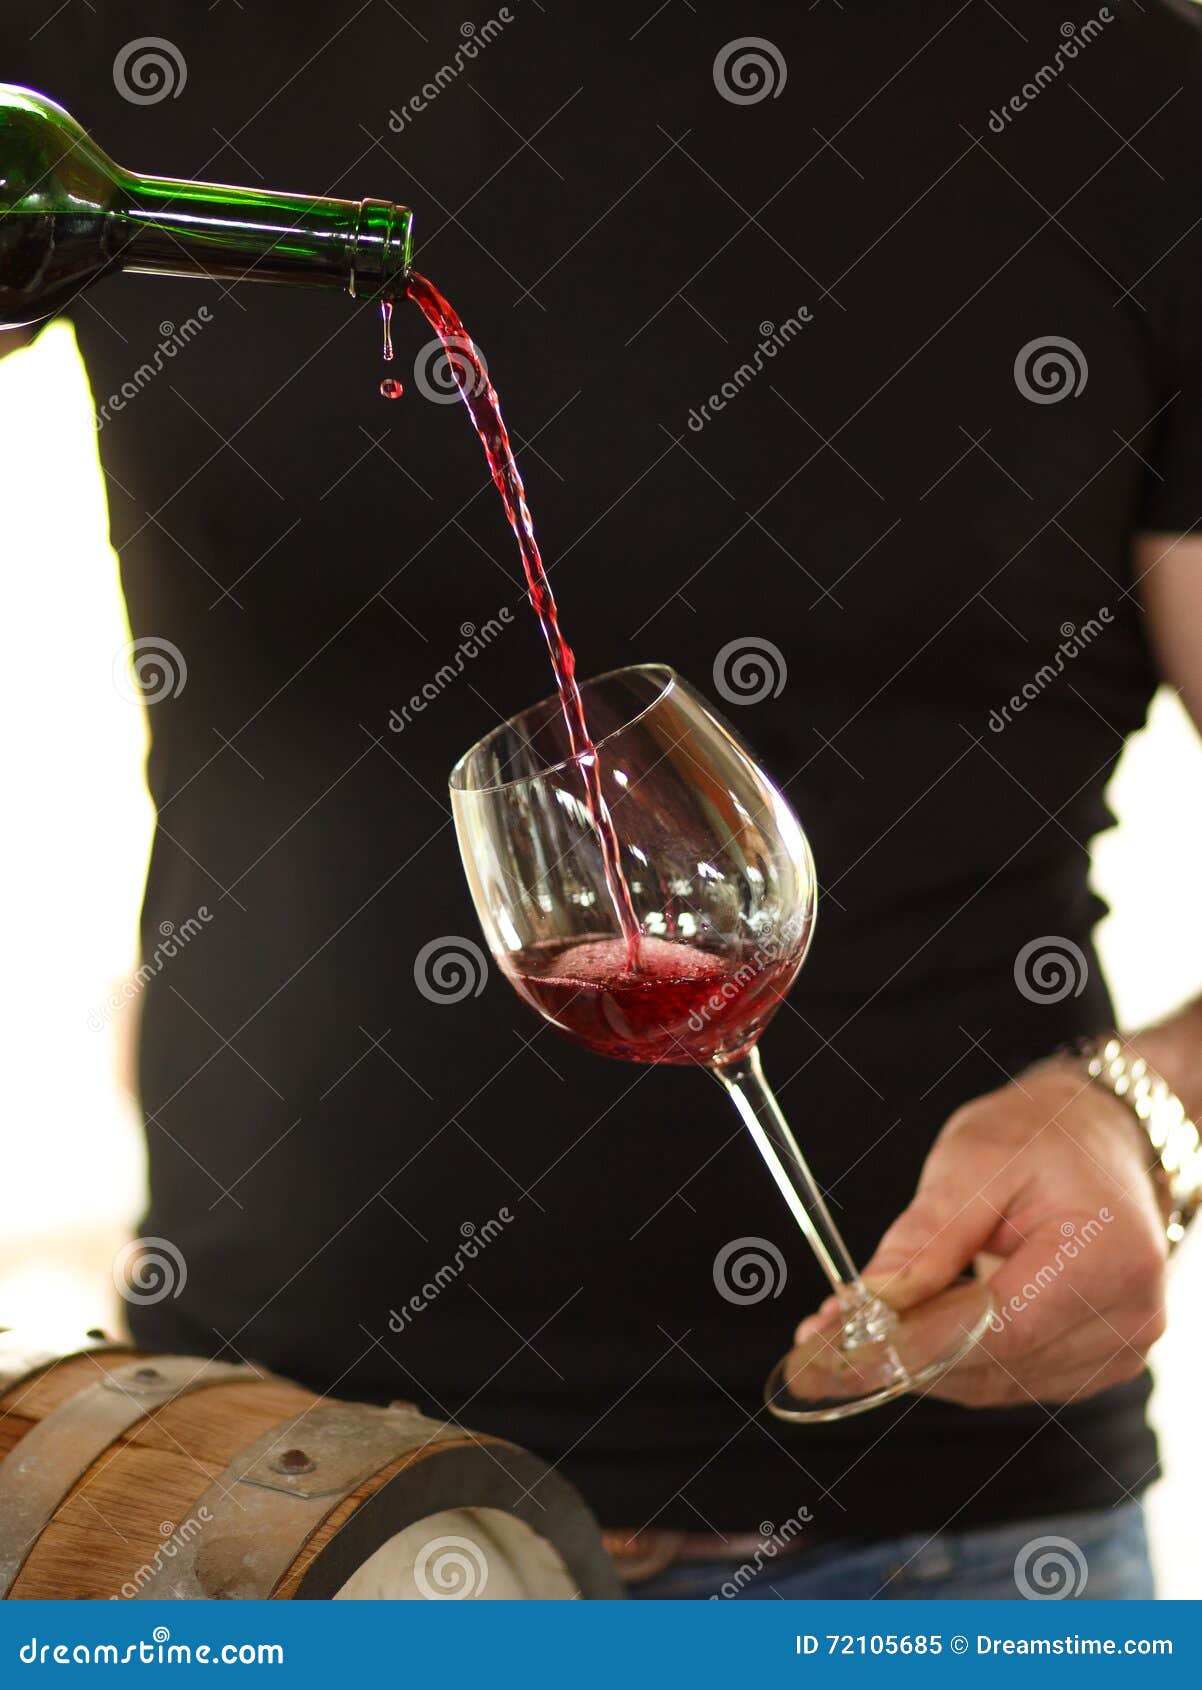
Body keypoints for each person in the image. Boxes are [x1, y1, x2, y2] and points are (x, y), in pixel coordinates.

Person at [3, 0, 1200, 1600]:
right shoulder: (118, 46)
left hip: (933, 1546)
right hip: (270, 1505)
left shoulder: (1128, 102)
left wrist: (1147, 1110)